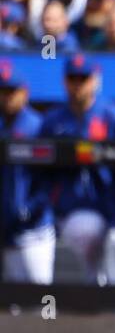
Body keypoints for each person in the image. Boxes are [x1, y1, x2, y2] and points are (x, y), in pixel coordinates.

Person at [36, 53, 115, 285]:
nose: (78, 84)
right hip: (71, 210)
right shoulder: (53, 121)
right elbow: (38, 171)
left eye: (83, 78)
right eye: (73, 78)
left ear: (95, 80)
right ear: (64, 81)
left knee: (114, 248)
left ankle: (113, 307)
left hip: (114, 209)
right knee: (85, 230)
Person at [0, 64, 52, 284]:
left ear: (25, 92)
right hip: (5, 230)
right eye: (3, 91)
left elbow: (50, 179)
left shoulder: (38, 127)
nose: (7, 97)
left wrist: (30, 208)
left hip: (34, 230)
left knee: (39, 298)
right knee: (12, 308)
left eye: (12, 91)